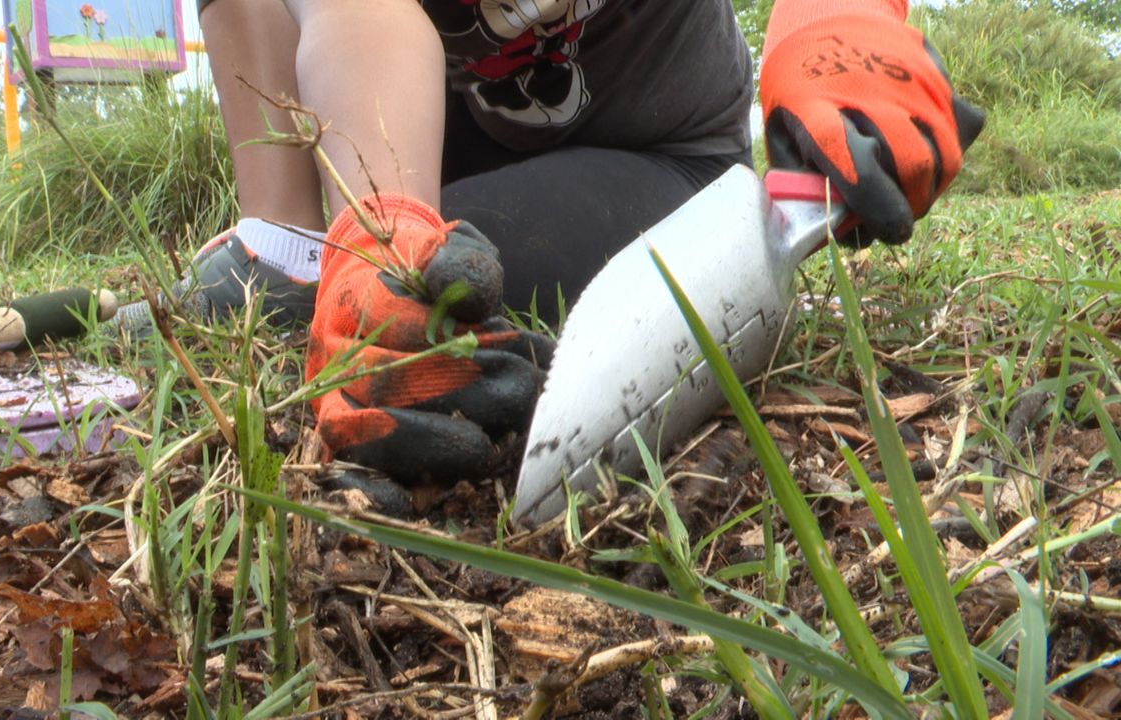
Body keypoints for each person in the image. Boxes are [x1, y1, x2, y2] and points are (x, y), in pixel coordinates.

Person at [109, 0, 983, 488]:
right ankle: (292, 248)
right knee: (322, 296)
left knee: (468, 287)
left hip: (658, 146)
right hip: (441, 132)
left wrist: (837, 31)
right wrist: (376, 235)